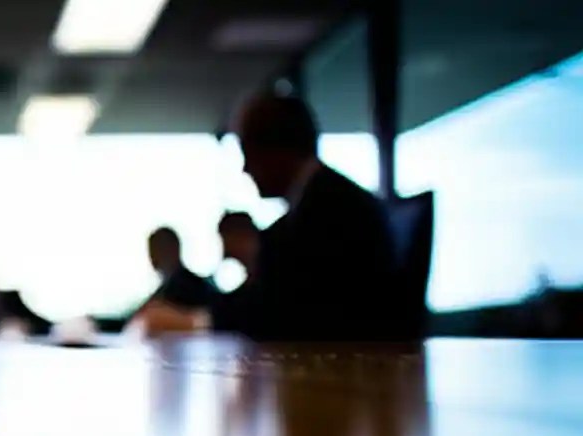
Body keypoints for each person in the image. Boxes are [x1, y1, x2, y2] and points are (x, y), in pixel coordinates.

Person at [146, 93, 399, 341]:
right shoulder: (318, 202)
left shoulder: (331, 211)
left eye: (247, 152)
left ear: (277, 150)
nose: (245, 169)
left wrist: (196, 322)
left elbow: (282, 309)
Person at [130, 227, 218, 327]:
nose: (153, 257)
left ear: (175, 248)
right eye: (151, 251)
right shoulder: (165, 287)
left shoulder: (192, 286)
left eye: (159, 248)